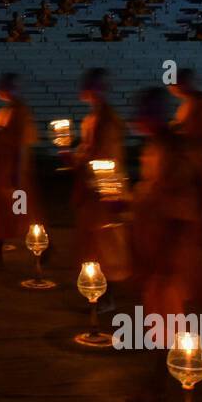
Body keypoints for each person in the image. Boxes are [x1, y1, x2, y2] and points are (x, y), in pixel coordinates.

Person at [128, 87, 202, 401]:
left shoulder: (176, 151)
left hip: (170, 247)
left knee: (168, 314)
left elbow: (181, 205)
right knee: (166, 313)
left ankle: (163, 380)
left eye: (143, 112)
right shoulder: (158, 146)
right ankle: (194, 365)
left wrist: (164, 255)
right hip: (156, 243)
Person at [69, 69, 129, 279]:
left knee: (104, 239)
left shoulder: (107, 121)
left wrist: (110, 194)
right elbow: (88, 151)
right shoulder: (94, 118)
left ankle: (105, 293)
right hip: (91, 187)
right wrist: (75, 158)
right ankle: (97, 290)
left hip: (101, 189)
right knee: (92, 240)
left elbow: (107, 160)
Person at [0, 73, 38, 265]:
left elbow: (20, 144)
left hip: (12, 173)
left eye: (3, 86)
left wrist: (15, 172)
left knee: (20, 211)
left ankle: (44, 245)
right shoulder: (6, 111)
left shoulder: (20, 112)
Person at [168, 67, 202, 203]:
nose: (173, 89)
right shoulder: (189, 103)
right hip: (191, 153)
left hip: (200, 152)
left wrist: (178, 129)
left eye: (176, 84)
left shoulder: (201, 102)